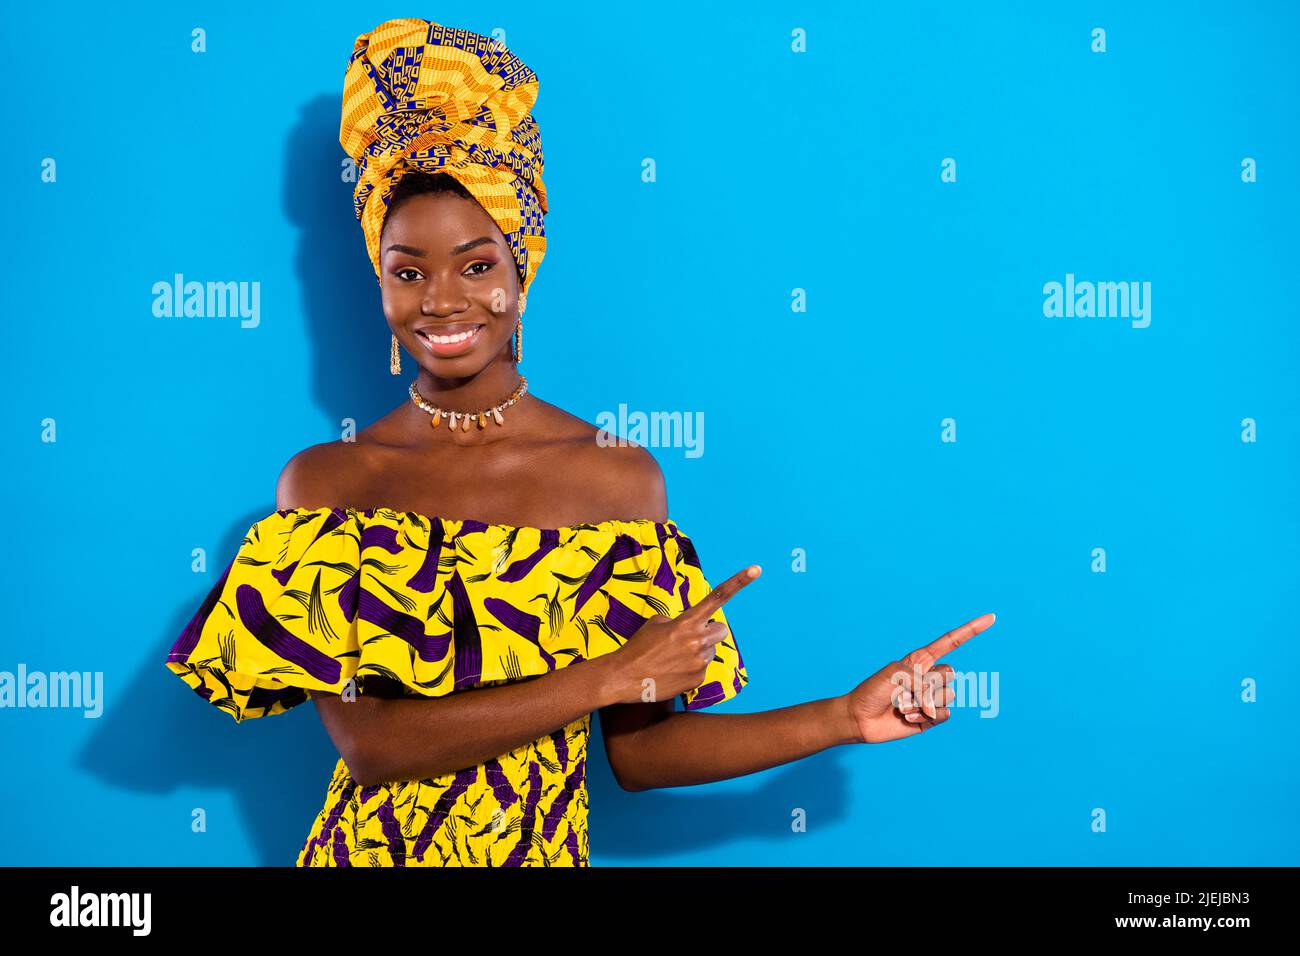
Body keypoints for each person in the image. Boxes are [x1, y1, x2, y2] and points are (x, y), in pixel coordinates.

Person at [164, 17, 996, 867]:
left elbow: (638, 756)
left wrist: (844, 718)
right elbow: (373, 747)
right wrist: (606, 675)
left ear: (523, 267)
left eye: (477, 265)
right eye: (408, 271)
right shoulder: (327, 484)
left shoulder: (614, 481)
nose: (442, 301)